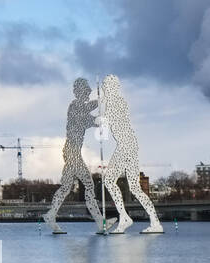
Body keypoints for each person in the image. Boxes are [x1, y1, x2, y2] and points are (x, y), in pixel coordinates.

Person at [99, 75, 163, 233]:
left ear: (112, 87)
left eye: (107, 86)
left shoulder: (115, 102)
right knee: (134, 187)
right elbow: (107, 130)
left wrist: (101, 118)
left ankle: (125, 217)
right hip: (130, 144)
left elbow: (110, 126)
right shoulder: (116, 102)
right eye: (104, 87)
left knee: (108, 180)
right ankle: (155, 222)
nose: (105, 89)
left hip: (125, 145)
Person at [43, 78, 105, 233]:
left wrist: (100, 105)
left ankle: (51, 215)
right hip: (72, 152)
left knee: (65, 187)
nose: (90, 92)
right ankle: (100, 223)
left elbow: (89, 112)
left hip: (72, 151)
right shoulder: (75, 106)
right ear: (80, 91)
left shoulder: (80, 106)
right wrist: (98, 112)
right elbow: (85, 118)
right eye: (87, 90)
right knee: (89, 185)